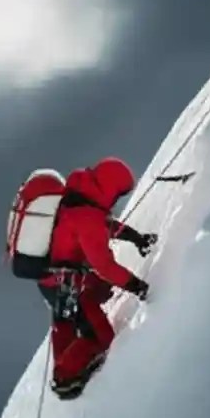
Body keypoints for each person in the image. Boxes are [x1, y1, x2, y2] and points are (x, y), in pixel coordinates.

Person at [37, 158, 155, 399]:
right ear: (111, 188)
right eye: (118, 194)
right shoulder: (87, 216)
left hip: (54, 278)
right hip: (65, 284)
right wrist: (137, 287)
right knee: (100, 336)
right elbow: (104, 265)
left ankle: (66, 360)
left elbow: (103, 226)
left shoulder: (77, 197)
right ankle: (66, 378)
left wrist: (136, 238)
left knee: (68, 318)